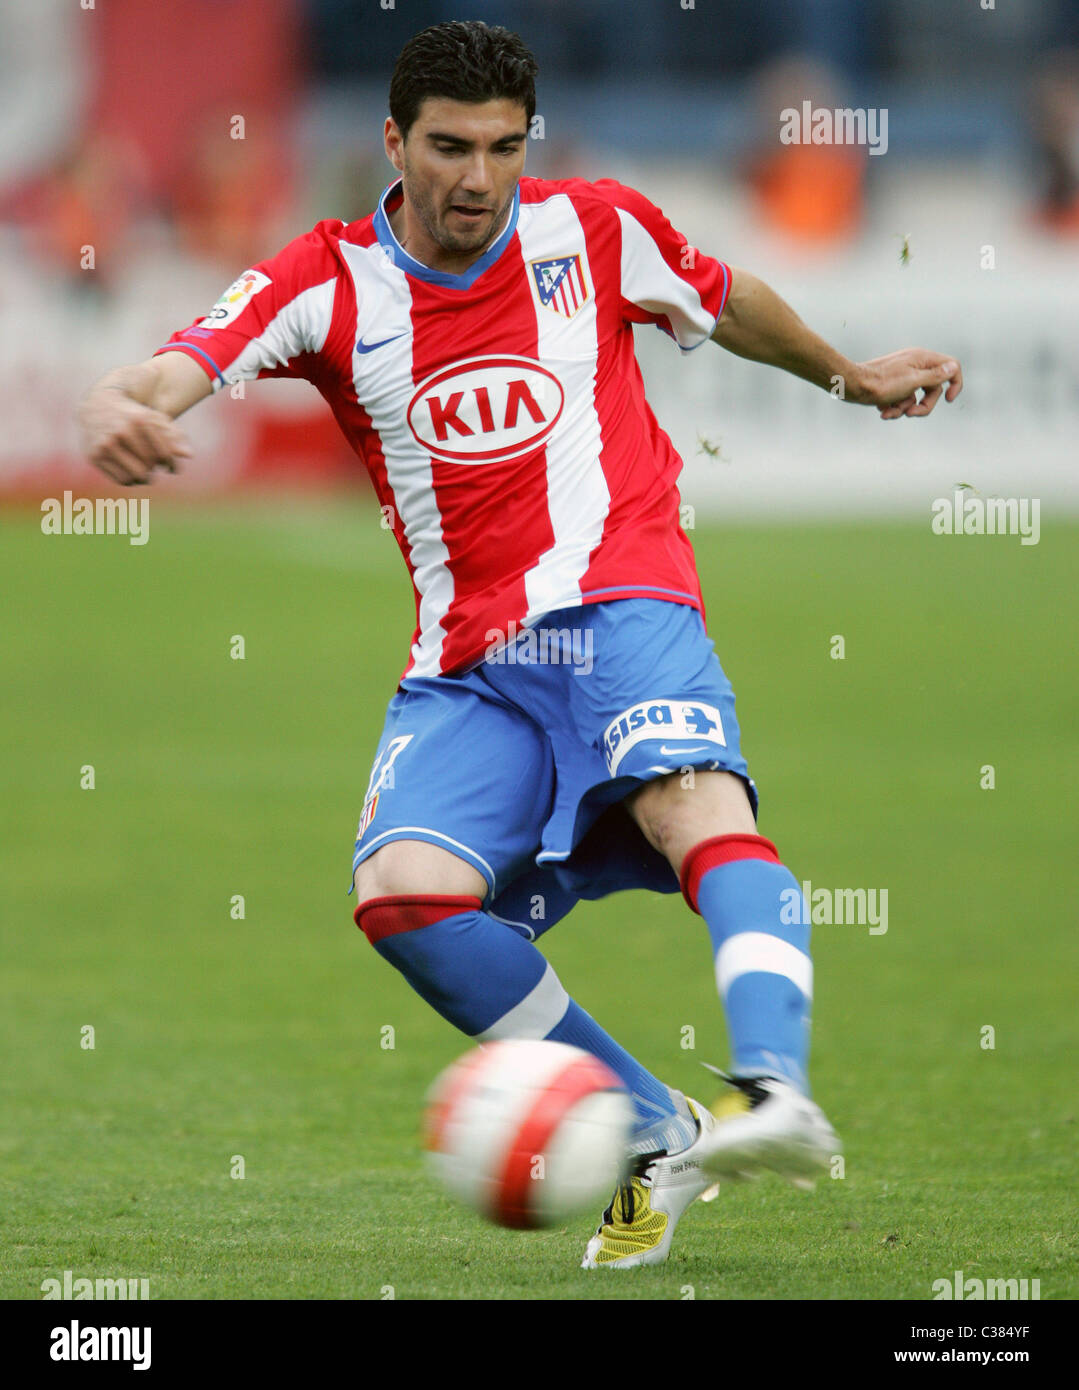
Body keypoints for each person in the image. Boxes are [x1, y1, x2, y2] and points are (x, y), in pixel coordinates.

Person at [78, 20, 963, 1269]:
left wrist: (848, 377)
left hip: (620, 595)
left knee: (688, 800)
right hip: (465, 659)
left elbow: (721, 298)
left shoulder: (591, 227)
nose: (477, 178)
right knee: (403, 898)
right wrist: (119, 403)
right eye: (448, 147)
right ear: (392, 142)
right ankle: (650, 1122)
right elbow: (180, 364)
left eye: (501, 147)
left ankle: (774, 1089)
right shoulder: (326, 282)